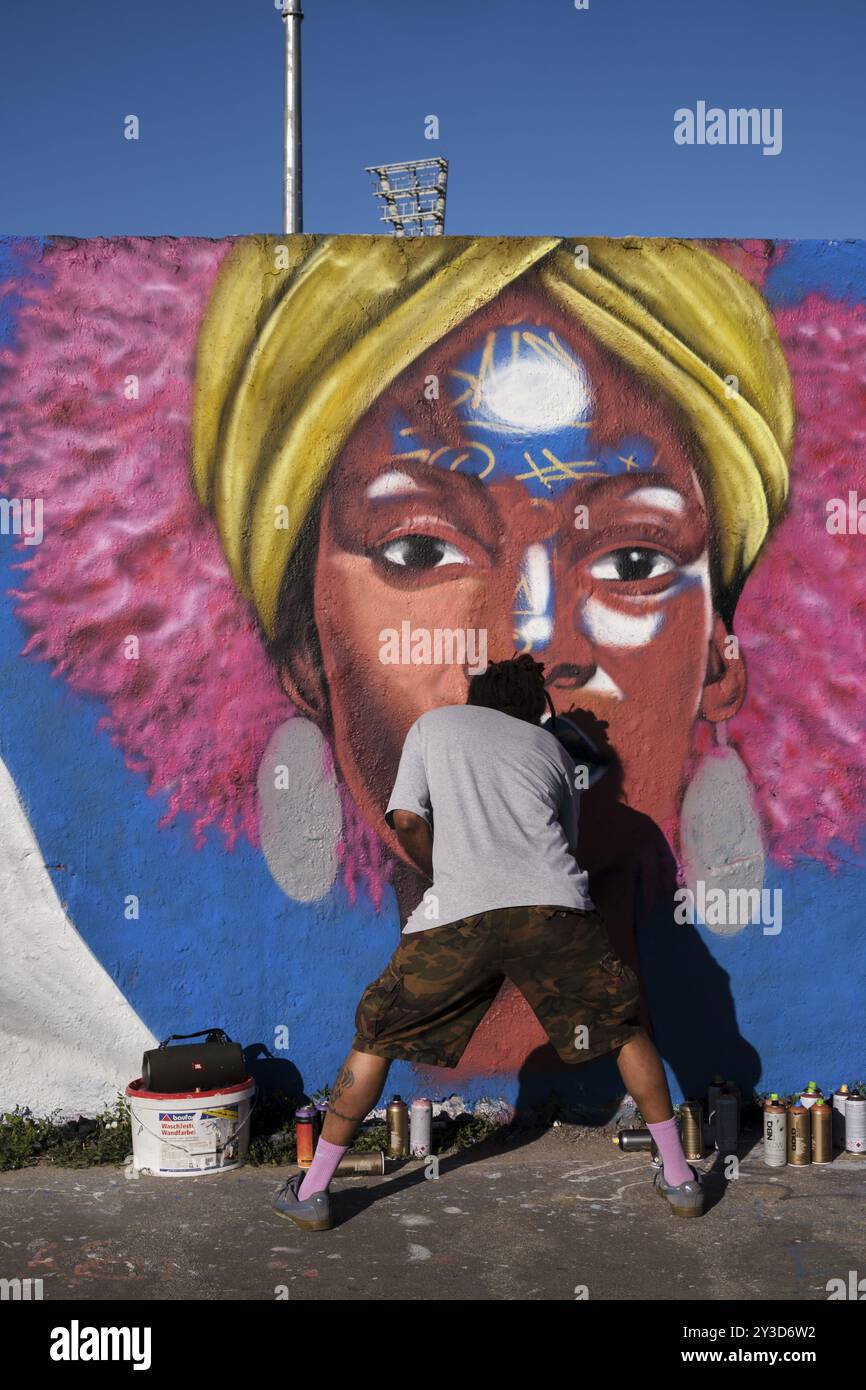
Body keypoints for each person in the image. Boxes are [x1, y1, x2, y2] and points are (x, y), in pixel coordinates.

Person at [272, 653, 704, 1230]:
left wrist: (446, 873)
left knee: (377, 1035)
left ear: (478, 696)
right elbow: (563, 850)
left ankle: (314, 1191)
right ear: (532, 706)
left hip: (459, 917)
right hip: (554, 912)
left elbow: (405, 819)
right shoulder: (551, 749)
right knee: (624, 1030)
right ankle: (679, 1178)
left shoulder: (435, 727)